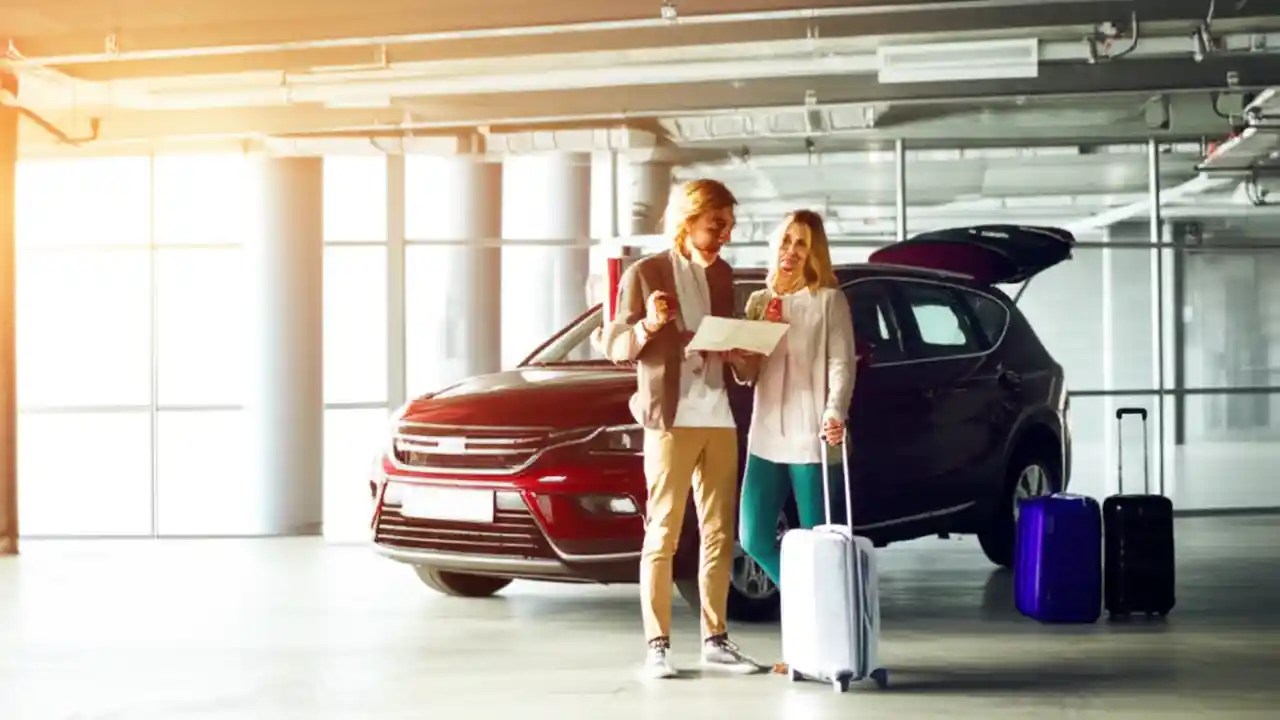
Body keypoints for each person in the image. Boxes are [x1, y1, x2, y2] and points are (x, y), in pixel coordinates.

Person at [596, 178, 761, 679]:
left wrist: (739, 351)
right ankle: (657, 647)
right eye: (718, 224)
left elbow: (732, 350)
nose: (726, 234)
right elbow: (614, 344)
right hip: (671, 419)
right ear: (689, 220)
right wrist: (647, 325)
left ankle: (715, 639)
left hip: (719, 418)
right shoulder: (645, 273)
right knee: (663, 532)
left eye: (730, 226)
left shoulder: (723, 274)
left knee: (719, 533)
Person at [733, 209, 857, 590]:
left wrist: (835, 410)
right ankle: (808, 603)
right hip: (766, 434)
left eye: (801, 243)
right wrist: (739, 354)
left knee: (821, 542)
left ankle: (824, 627)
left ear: (814, 251)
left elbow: (841, 362)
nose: (790, 250)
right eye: (786, 240)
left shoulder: (828, 301)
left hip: (812, 437)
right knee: (753, 537)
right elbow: (748, 374)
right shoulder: (759, 301)